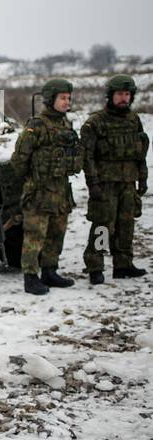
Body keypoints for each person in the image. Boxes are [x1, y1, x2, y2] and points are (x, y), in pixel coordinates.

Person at [10, 78, 84, 295]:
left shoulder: (65, 124)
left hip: (60, 189)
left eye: (68, 98)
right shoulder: (37, 126)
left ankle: (49, 271)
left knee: (56, 233)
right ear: (51, 99)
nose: (66, 102)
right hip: (39, 191)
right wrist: (31, 181)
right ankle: (30, 277)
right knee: (35, 235)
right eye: (62, 98)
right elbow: (19, 160)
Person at [81, 74, 149, 283]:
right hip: (105, 184)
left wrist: (142, 179)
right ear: (110, 96)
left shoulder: (133, 120)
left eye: (127, 94)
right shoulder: (96, 122)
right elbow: (87, 157)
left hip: (128, 182)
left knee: (126, 225)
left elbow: (140, 153)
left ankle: (123, 264)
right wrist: (93, 184)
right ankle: (96, 266)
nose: (123, 98)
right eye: (119, 94)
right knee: (103, 226)